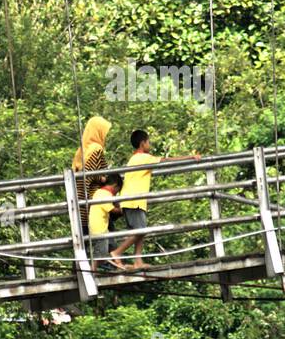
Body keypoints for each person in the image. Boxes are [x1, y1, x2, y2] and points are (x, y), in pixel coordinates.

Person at [112, 129, 199, 270]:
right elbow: (166, 161)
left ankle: (137, 261)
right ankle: (117, 253)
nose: (150, 145)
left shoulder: (134, 158)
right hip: (133, 200)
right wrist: (190, 158)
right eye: (148, 142)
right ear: (142, 143)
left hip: (135, 200)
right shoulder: (143, 158)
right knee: (140, 231)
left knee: (140, 232)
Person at [71, 116, 112, 234]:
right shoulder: (96, 149)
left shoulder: (83, 149)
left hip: (80, 205)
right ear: (98, 131)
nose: (106, 136)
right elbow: (87, 176)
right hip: (92, 206)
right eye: (104, 132)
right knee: (105, 242)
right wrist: (102, 178)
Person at [88, 173, 124, 271]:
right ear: (115, 186)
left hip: (101, 226)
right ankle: (92, 271)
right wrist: (123, 208)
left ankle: (118, 265)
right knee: (100, 254)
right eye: (117, 191)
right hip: (99, 229)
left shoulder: (99, 192)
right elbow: (113, 210)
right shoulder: (105, 194)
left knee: (111, 246)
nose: (116, 194)